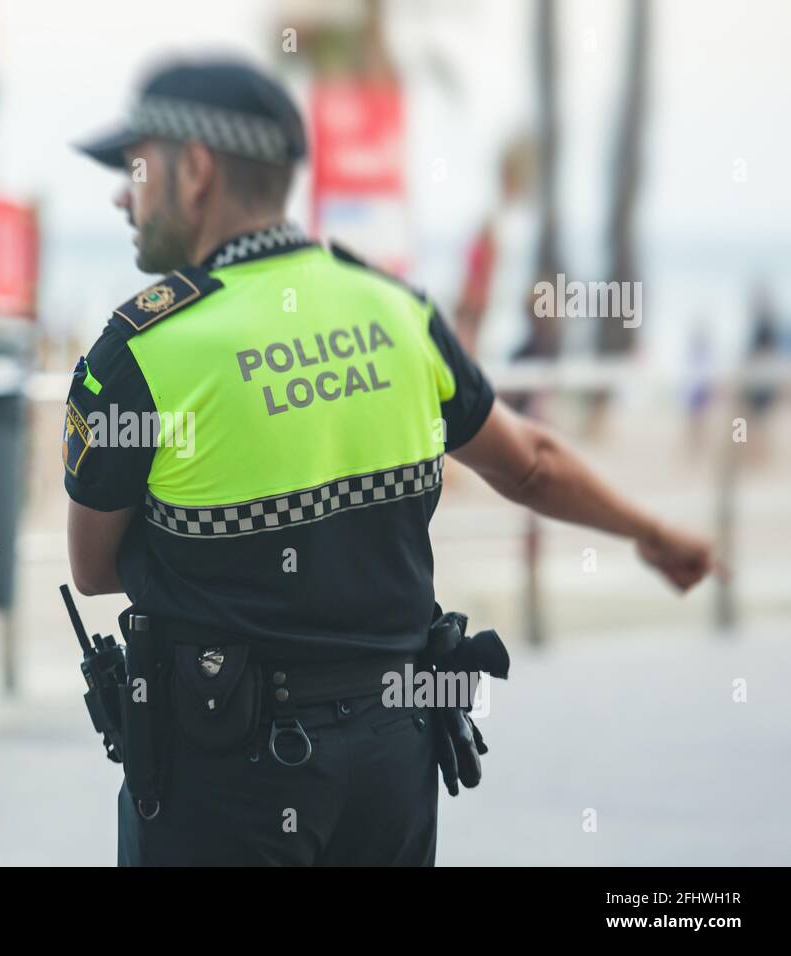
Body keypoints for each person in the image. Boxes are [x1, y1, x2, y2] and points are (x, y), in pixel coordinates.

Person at [63, 58, 716, 866]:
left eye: (135, 169)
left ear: (194, 170)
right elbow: (532, 465)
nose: (123, 196)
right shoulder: (398, 313)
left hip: (223, 771)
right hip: (394, 756)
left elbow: (93, 570)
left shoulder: (141, 350)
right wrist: (649, 531)